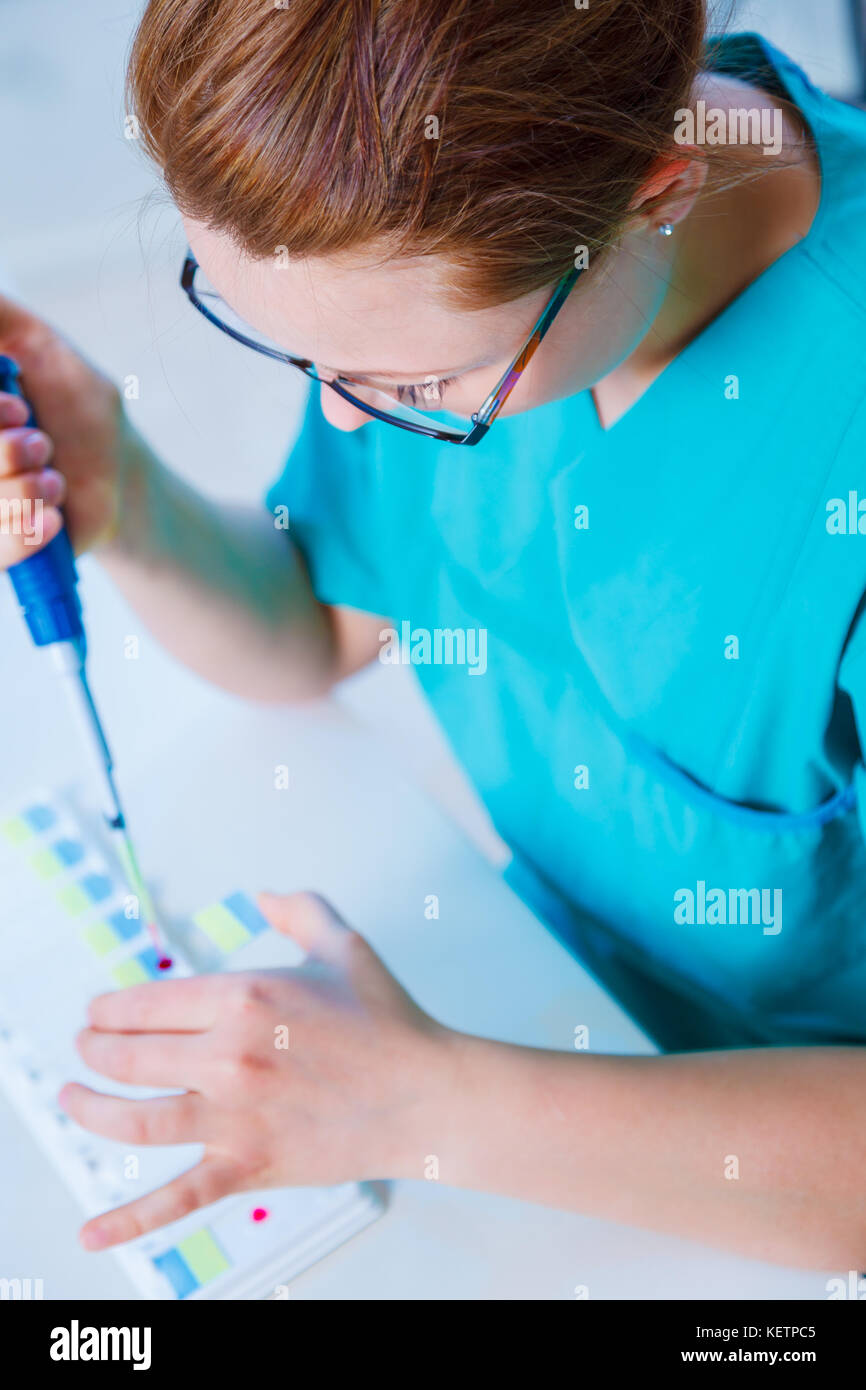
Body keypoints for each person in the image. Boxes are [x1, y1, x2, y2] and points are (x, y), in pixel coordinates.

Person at [1, 0, 865, 1268]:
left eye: (410, 389)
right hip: (518, 1002)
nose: (344, 424)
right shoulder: (461, 252)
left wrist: (419, 1105)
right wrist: (122, 491)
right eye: (297, 354)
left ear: (655, 192)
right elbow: (313, 626)